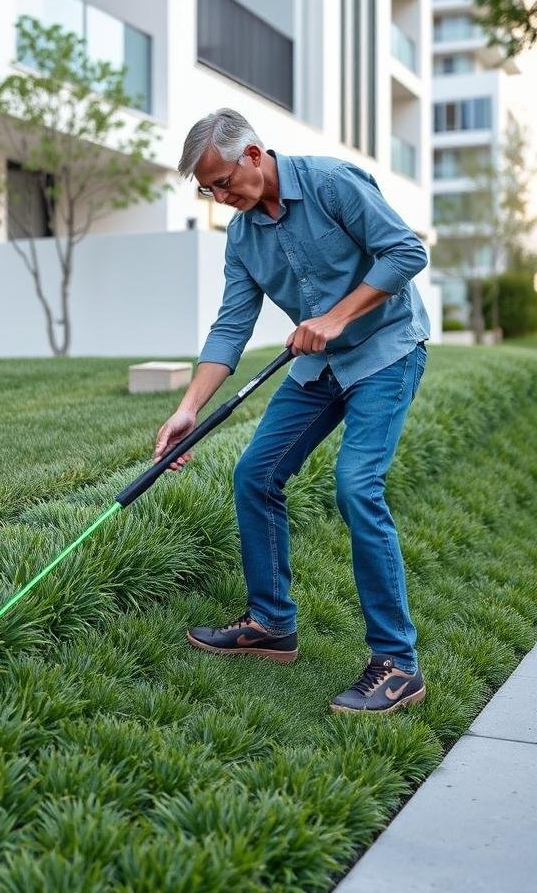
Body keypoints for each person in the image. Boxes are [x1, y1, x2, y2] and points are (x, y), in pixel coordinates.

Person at [157, 107, 430, 714]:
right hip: (318, 368)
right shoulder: (242, 236)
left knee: (356, 485)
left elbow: (406, 252)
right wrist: (188, 409)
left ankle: (397, 664)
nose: (219, 197)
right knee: (255, 474)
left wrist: (335, 317)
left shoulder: (332, 183)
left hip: (387, 352)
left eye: (222, 182)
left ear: (253, 155)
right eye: (208, 190)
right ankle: (271, 623)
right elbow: (231, 326)